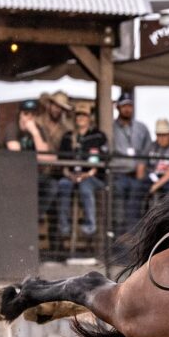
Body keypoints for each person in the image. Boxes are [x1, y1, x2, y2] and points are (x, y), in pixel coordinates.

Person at [56, 100, 109, 239]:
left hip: (93, 177)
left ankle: (90, 227)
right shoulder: (68, 136)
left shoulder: (98, 135)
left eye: (84, 115)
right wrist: (69, 174)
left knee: (85, 187)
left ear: (89, 117)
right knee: (63, 185)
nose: (80, 118)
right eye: (78, 115)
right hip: (71, 176)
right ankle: (64, 227)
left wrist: (87, 175)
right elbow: (61, 161)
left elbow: (103, 159)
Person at [5, 99, 58, 217]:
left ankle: (35, 216)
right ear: (20, 114)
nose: (29, 117)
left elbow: (44, 155)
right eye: (26, 114)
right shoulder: (12, 128)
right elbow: (16, 154)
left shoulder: (38, 130)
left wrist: (34, 133)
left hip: (34, 174)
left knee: (52, 185)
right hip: (13, 175)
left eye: (33, 114)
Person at [111, 91, 152, 235]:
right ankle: (118, 234)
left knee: (137, 200)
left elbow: (147, 150)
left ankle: (133, 235)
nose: (127, 109)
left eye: (129, 106)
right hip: (118, 174)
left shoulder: (142, 127)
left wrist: (141, 166)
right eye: (124, 106)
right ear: (117, 107)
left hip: (138, 173)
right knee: (118, 201)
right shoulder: (110, 127)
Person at [139, 119, 169, 201]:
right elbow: (142, 164)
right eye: (159, 135)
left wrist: (156, 186)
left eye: (164, 135)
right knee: (138, 186)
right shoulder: (152, 146)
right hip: (154, 177)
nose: (161, 138)